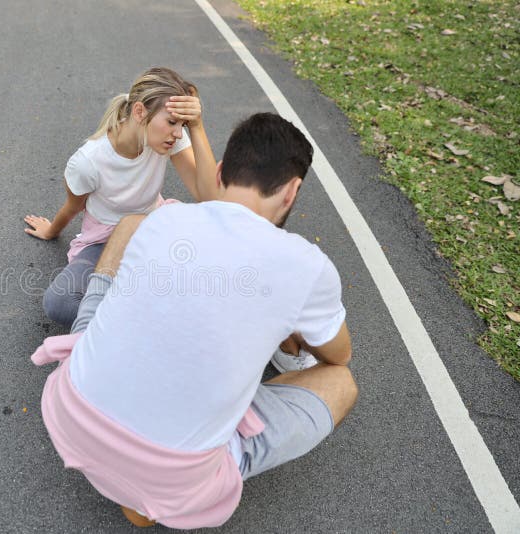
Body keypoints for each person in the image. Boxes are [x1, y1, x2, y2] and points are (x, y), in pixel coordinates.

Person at [31, 113, 358, 529]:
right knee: (341, 383)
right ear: (292, 192)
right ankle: (158, 492)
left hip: (69, 410)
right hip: (169, 476)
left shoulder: (165, 219)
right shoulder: (307, 265)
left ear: (220, 172)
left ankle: (129, 449)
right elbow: (338, 353)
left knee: (130, 225)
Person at [23, 67, 217, 329]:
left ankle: (139, 318)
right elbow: (73, 207)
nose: (178, 133)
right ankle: (147, 321)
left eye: (183, 125)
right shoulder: (88, 162)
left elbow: (208, 196)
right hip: (103, 244)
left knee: (212, 275)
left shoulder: (167, 140)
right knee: (59, 302)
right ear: (139, 112)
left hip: (154, 230)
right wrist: (52, 231)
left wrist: (198, 126)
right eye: (173, 122)